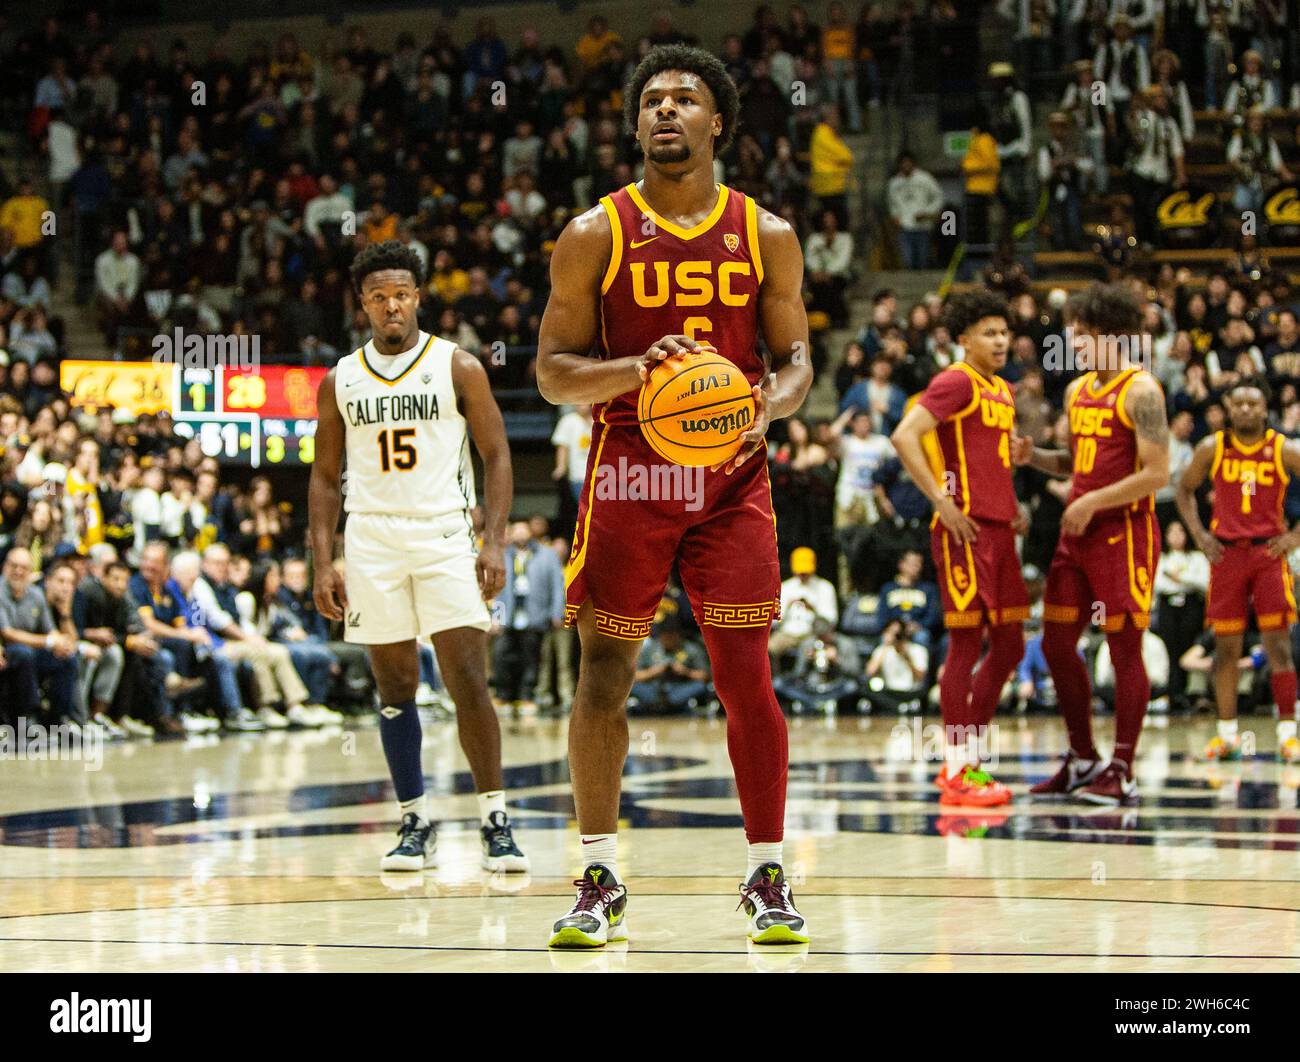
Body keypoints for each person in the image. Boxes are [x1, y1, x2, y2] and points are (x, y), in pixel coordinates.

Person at [536, 45, 813, 948]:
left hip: (731, 480)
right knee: (604, 672)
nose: (666, 111)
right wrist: (632, 369)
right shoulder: (593, 233)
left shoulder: (765, 231)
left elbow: (799, 360)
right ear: (636, 122)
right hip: (630, 475)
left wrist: (766, 404)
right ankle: (599, 874)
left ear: (717, 122)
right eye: (652, 100)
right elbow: (549, 374)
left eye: (684, 100)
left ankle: (766, 870)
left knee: (746, 674)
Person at [309, 240, 529, 876]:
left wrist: (493, 539)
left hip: (443, 534)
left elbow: (499, 455)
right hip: (372, 538)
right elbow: (324, 479)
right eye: (378, 297)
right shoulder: (339, 379)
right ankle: (413, 819)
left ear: (418, 297)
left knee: (467, 681)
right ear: (363, 305)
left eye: (401, 293)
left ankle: (495, 817)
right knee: (395, 687)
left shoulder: (458, 365)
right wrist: (325, 563)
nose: (391, 305)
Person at [1028, 283, 1169, 804]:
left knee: (1123, 647)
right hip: (1077, 535)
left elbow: (1157, 473)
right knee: (1055, 643)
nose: (1074, 341)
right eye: (1073, 333)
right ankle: (1083, 758)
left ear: (1116, 335)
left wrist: (1091, 502)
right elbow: (1074, 464)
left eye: (1083, 334)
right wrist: (1034, 456)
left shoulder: (1143, 391)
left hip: (1124, 535)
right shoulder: (1077, 391)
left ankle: (1123, 767)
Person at [890, 290, 1031, 806]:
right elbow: (905, 436)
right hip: (963, 531)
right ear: (965, 338)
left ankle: (968, 752)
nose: (1000, 341)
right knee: (967, 644)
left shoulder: (1003, 391)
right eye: (989, 333)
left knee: (1012, 644)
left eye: (1004, 332)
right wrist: (942, 502)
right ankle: (957, 767)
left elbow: (988, 459)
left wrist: (1016, 471)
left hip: (999, 529)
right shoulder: (955, 381)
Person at [1175, 377, 1300, 762]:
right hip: (1225, 556)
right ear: (1229, 409)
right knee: (1225, 650)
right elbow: (1183, 488)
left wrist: (1295, 536)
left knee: (1278, 647)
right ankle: (1227, 734)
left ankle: (1288, 734)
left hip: (1268, 555)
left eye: (1253, 404)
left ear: (1266, 410)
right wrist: (1198, 534)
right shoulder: (1212, 448)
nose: (1246, 409)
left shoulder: (1283, 449)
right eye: (1239, 403)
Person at [493, 519, 566, 713]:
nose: (520, 534)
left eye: (523, 530)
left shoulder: (546, 555)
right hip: (508, 614)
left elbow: (557, 586)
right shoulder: (502, 555)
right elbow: (495, 590)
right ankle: (503, 695)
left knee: (531, 658)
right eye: (516, 530)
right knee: (502, 656)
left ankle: (527, 696)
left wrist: (556, 612)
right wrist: (496, 618)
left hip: (535, 613)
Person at [629, 617, 711, 713]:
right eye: (665, 634)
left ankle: (671, 703)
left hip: (680, 688)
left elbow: (705, 676)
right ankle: (656, 704)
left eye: (672, 634)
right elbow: (634, 676)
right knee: (631, 686)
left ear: (678, 634)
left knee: (700, 686)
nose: (668, 638)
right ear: (660, 635)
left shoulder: (691, 649)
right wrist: (654, 671)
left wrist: (686, 672)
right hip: (653, 688)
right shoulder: (649, 648)